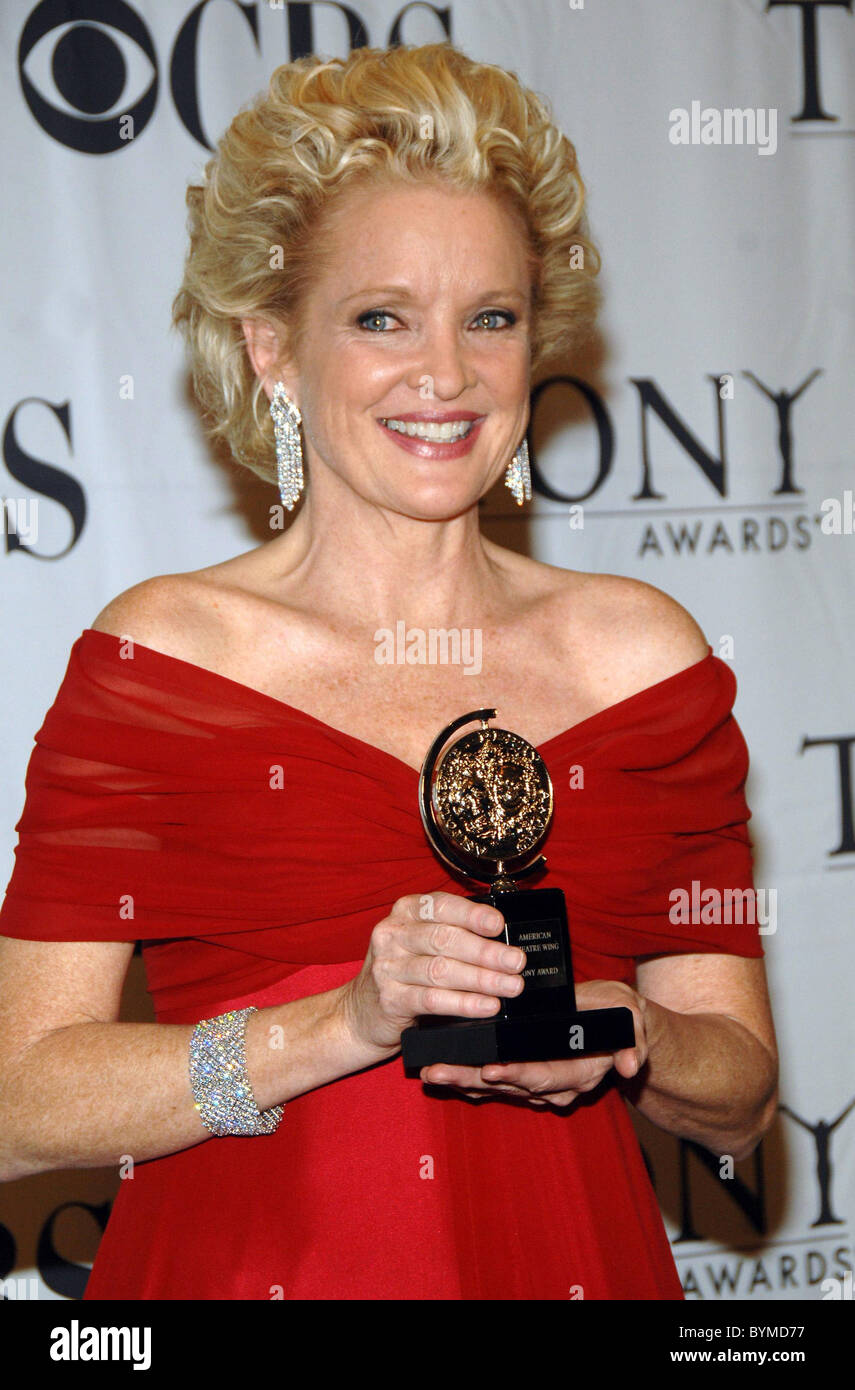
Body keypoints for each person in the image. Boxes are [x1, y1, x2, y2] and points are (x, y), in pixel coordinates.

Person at [0, 42, 778, 1300]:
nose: (448, 375)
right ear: (269, 345)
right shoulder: (169, 660)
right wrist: (342, 1025)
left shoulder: (643, 662)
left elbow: (740, 1097)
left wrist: (631, 1034)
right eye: (381, 318)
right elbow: (18, 1100)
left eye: (491, 318)